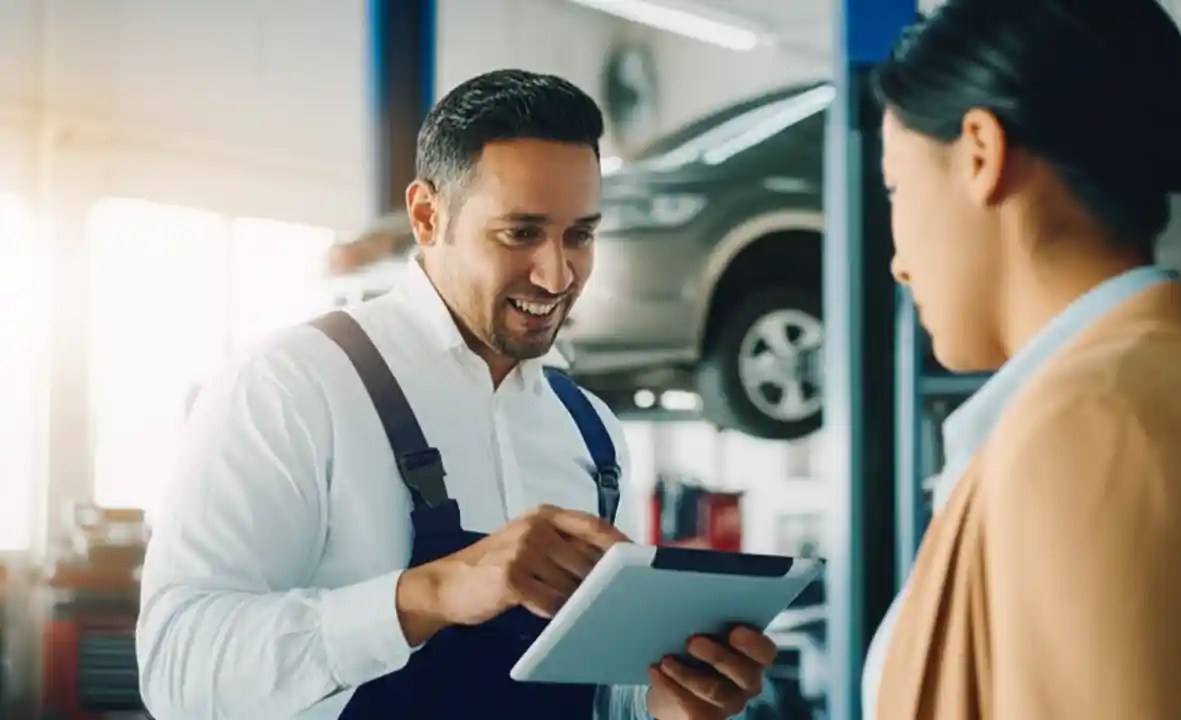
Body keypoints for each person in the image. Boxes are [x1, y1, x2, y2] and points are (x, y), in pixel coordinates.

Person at [136, 69, 776, 720]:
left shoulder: (591, 431)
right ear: (426, 216)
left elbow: (597, 698)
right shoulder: (291, 385)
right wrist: (432, 594)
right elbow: (178, 674)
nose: (557, 274)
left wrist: (667, 704)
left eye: (580, 235)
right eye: (520, 233)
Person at [864, 1, 1181, 718]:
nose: (898, 263)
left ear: (980, 153)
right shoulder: (1150, 390)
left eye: (897, 186)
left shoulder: (1092, 424)